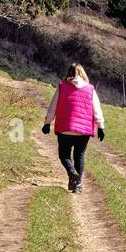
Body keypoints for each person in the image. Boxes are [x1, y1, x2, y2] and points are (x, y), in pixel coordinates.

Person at [42, 63, 106, 194]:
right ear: (83, 73)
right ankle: (78, 184)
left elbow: (52, 107)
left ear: (68, 73)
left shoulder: (62, 86)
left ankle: (72, 174)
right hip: (84, 131)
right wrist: (101, 127)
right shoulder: (90, 89)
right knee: (79, 156)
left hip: (65, 128)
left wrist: (47, 123)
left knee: (64, 155)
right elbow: (97, 109)